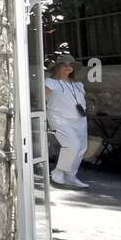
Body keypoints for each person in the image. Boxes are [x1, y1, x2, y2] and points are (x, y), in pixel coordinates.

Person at [44, 54, 89, 189]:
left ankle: (71, 176)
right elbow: (42, 98)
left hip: (79, 118)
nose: (69, 68)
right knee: (72, 145)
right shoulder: (50, 82)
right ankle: (58, 172)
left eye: (71, 66)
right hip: (59, 117)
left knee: (81, 148)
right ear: (58, 67)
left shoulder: (78, 84)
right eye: (65, 66)